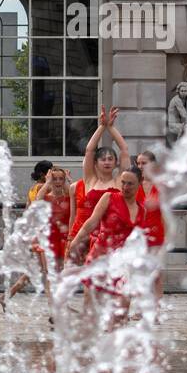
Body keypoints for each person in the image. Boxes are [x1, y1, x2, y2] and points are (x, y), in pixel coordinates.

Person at [67, 165, 147, 326]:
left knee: (121, 313)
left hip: (122, 263)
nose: (125, 187)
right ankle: (89, 343)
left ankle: (116, 344)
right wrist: (75, 241)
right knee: (92, 311)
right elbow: (92, 222)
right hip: (100, 258)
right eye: (123, 182)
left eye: (130, 183)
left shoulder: (141, 211)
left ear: (140, 183)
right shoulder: (110, 197)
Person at [3, 165, 72, 315]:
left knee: (52, 272)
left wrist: (67, 182)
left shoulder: (69, 196)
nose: (58, 182)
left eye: (61, 179)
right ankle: (54, 306)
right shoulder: (44, 195)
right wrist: (48, 183)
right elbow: (34, 204)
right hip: (47, 238)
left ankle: (8, 295)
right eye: (55, 179)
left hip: (63, 239)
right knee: (48, 273)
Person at [67, 106, 131, 265]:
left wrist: (111, 128)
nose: (107, 162)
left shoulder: (119, 181)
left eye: (110, 159)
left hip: (110, 235)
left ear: (115, 163)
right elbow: (89, 150)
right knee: (75, 276)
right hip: (85, 233)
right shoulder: (90, 180)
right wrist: (102, 126)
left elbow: (124, 150)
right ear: (95, 163)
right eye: (103, 159)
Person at [136, 150, 166, 299]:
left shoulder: (161, 184)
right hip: (137, 232)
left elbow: (167, 214)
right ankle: (141, 307)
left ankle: (157, 307)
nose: (141, 166)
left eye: (144, 163)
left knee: (156, 272)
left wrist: (166, 237)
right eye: (139, 163)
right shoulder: (134, 184)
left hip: (156, 232)